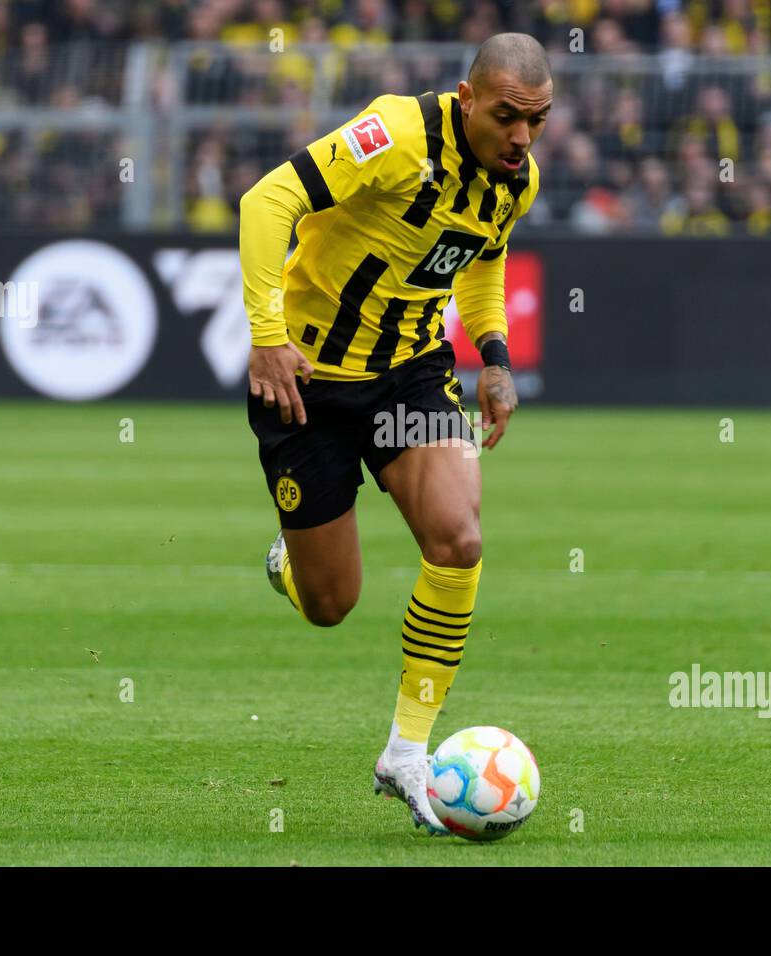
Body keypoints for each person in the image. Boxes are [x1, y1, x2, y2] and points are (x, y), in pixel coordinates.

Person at [238, 32, 549, 835]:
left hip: (407, 377)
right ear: (468, 97)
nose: (522, 137)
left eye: (538, 121)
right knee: (331, 603)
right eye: (509, 117)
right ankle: (293, 568)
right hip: (304, 381)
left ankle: (406, 753)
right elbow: (267, 200)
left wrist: (494, 355)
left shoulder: (517, 180)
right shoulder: (396, 134)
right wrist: (267, 331)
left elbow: (481, 260)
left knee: (459, 538)